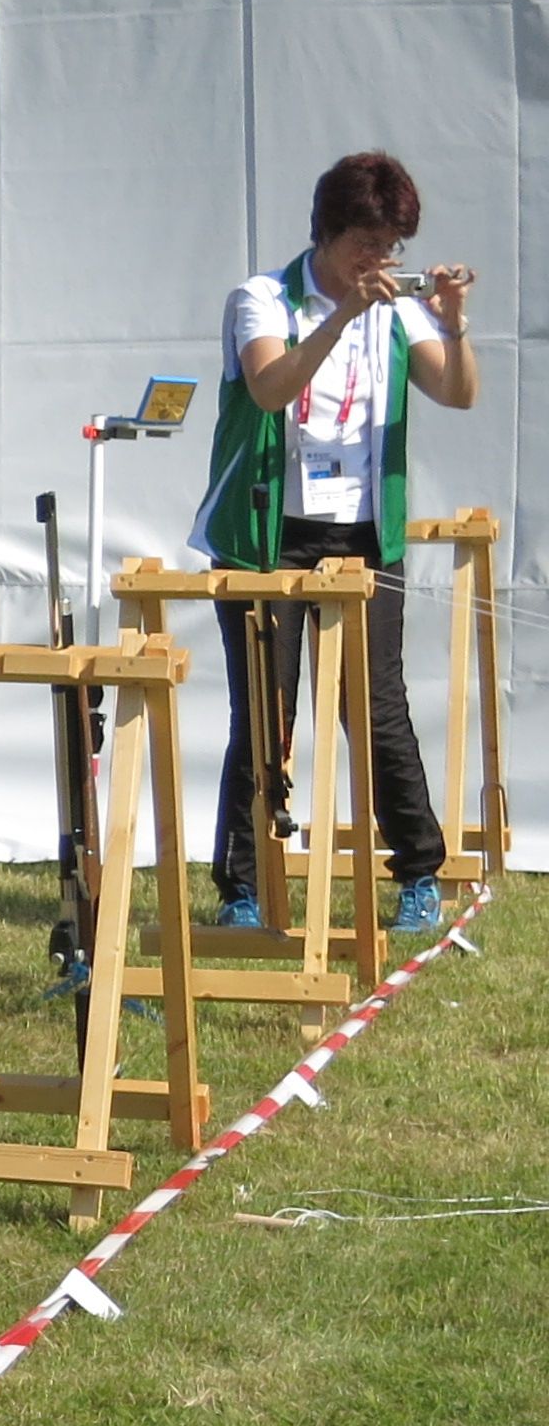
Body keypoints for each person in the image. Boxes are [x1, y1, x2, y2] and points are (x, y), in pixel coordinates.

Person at [193, 149, 477, 936]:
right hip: (268, 533)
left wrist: (453, 327)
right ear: (328, 232)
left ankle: (421, 873)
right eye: (368, 242)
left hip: (361, 531)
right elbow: (270, 387)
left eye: (392, 247)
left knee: (375, 707)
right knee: (265, 714)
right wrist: (345, 314)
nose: (380, 260)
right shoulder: (263, 299)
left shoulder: (396, 305)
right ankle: (243, 889)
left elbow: (457, 392)